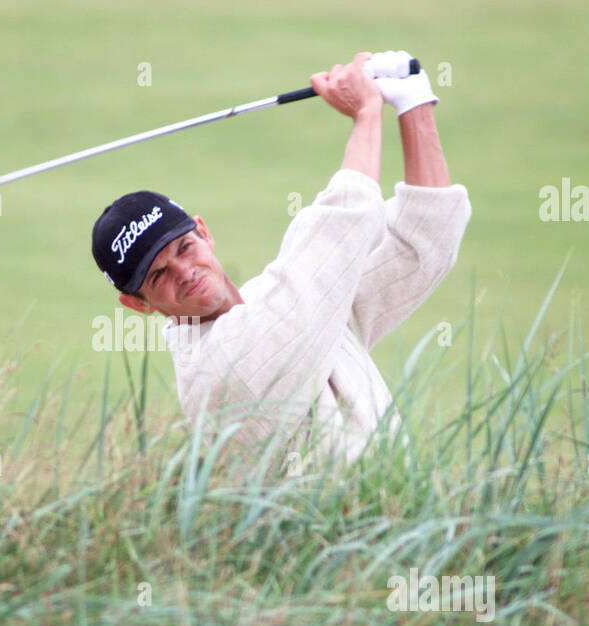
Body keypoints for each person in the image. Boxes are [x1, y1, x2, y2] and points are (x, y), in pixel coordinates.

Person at [90, 51, 471, 468]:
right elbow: (336, 229)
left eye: (185, 248)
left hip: (404, 522)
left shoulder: (295, 310)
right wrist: (366, 114)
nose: (184, 272)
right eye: (158, 275)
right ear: (137, 304)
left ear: (204, 231)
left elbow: (424, 240)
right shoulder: (215, 373)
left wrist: (412, 102)